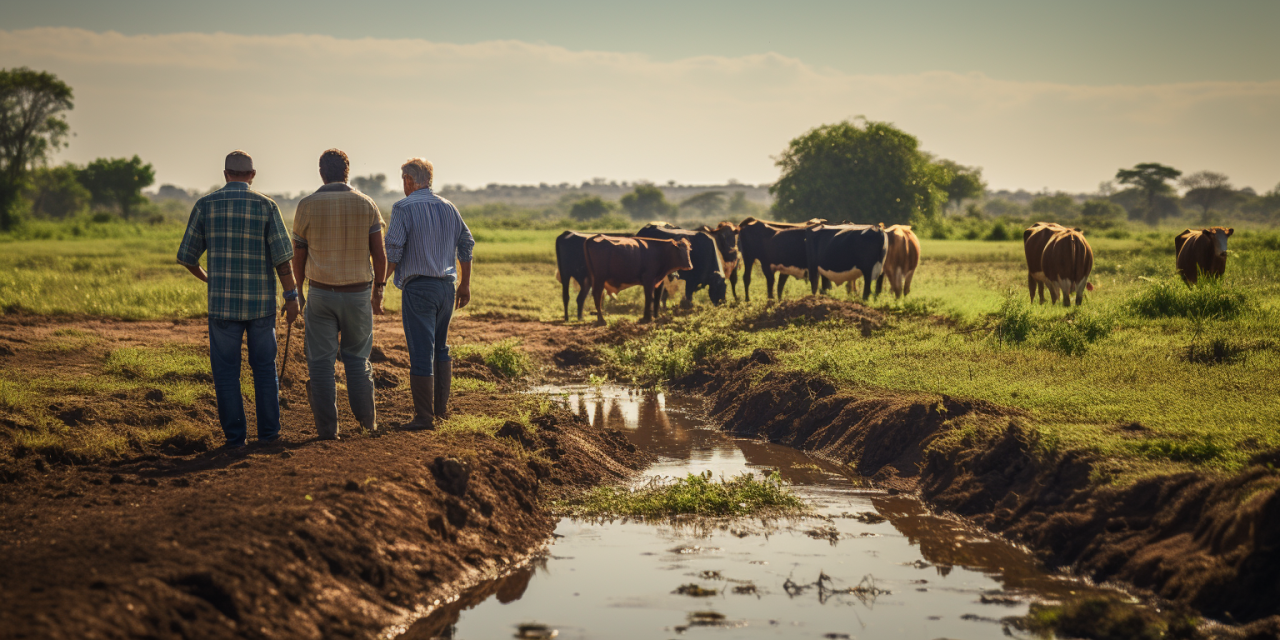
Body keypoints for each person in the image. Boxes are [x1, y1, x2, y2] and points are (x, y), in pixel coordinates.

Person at [176, 150, 297, 448]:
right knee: (265, 370)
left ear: (225, 173)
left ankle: (235, 438)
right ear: (252, 175)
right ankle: (268, 434)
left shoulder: (205, 205)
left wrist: (209, 277)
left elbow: (187, 256)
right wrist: (292, 296)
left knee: (226, 373)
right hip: (261, 307)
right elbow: (283, 260)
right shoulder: (267, 206)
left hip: (222, 307)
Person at [291, 149, 387, 440]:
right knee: (357, 359)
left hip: (320, 294)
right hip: (358, 295)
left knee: (320, 364)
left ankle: (328, 431)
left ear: (321, 173)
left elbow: (298, 253)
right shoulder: (366, 204)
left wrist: (298, 291)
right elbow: (379, 254)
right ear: (347, 172)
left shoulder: (307, 205)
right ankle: (367, 425)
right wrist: (379, 289)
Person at [384, 157, 474, 430]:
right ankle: (440, 411)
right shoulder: (449, 207)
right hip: (447, 288)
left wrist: (380, 282)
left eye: (403, 180)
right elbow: (467, 242)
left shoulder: (403, 207)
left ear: (409, 180)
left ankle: (424, 417)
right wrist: (465, 284)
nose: (403, 185)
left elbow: (394, 250)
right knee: (440, 346)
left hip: (419, 288)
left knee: (422, 351)